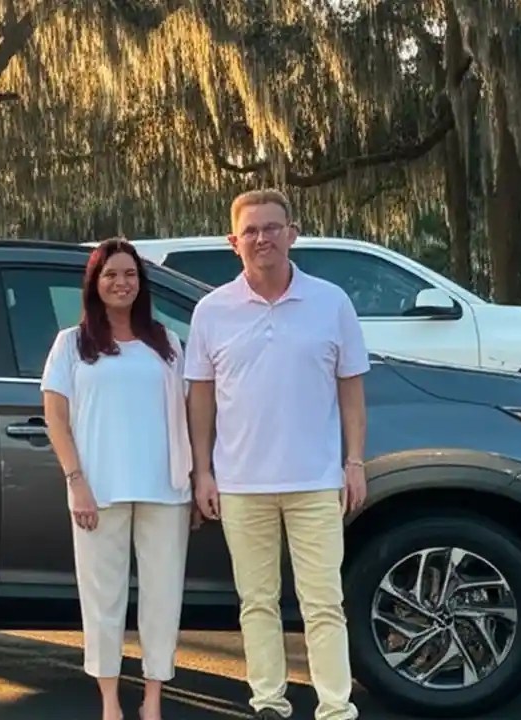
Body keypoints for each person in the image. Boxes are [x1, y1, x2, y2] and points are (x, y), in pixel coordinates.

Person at [183, 189, 369, 720]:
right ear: (232, 241)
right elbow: (201, 397)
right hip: (241, 485)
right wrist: (203, 472)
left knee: (324, 604)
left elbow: (351, 390)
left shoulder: (331, 302)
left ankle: (335, 707)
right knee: (257, 602)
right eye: (251, 230)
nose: (262, 238)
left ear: (292, 233)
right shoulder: (211, 311)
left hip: (315, 481)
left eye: (272, 227)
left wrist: (353, 462)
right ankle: (269, 701)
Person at [40, 237, 195, 720]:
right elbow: (56, 418)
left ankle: (153, 697)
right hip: (98, 491)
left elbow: (192, 410)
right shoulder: (72, 344)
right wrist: (76, 481)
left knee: (162, 598)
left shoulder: (167, 343)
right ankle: (109, 700)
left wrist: (196, 476)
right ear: (95, 283)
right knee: (103, 599)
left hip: (165, 489)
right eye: (111, 275)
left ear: (140, 282)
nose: (121, 283)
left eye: (129, 274)